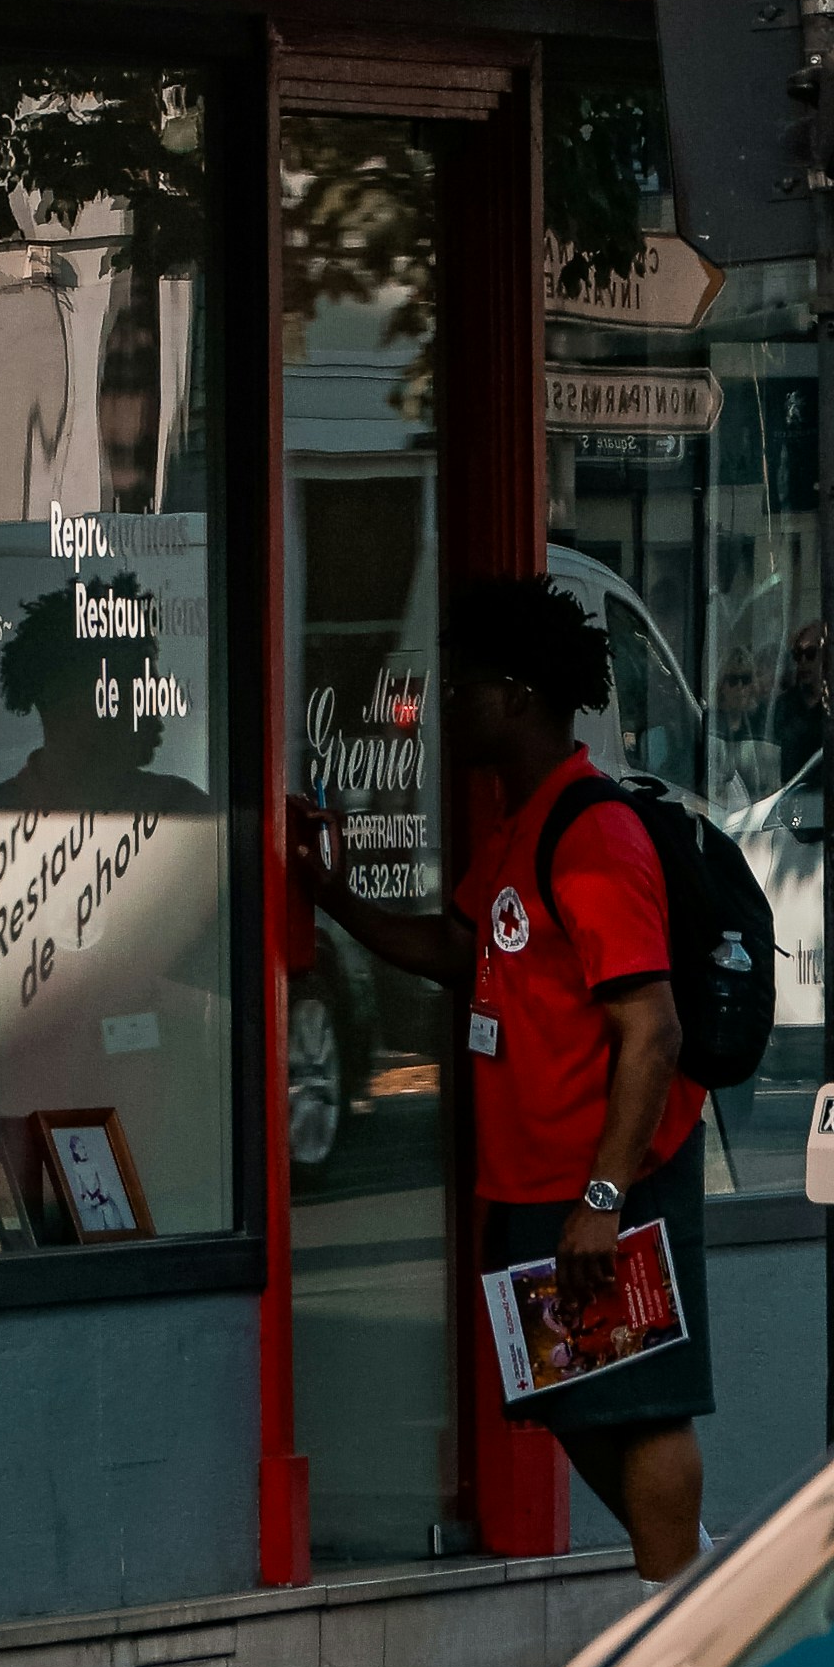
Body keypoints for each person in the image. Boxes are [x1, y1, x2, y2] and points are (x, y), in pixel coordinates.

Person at [288, 572, 709, 1578]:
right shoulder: (524, 827)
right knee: (572, 1396)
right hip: (531, 1180)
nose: (445, 702)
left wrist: (603, 1198)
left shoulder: (592, 832)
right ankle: (695, 1574)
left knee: (636, 1399)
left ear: (517, 693)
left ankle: (682, 1618)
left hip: (603, 1178)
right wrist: (327, 895)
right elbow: (454, 944)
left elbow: (650, 1028)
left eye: (463, 682)